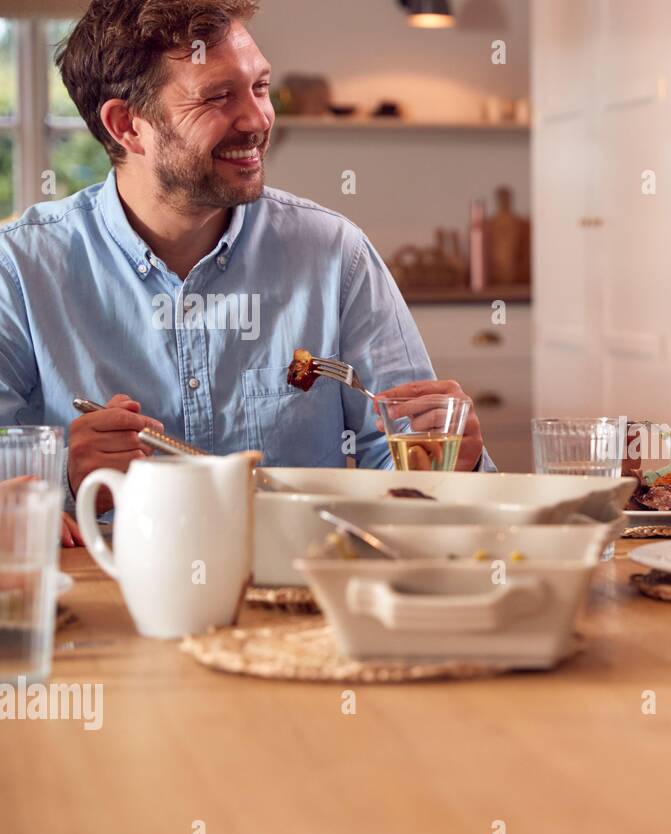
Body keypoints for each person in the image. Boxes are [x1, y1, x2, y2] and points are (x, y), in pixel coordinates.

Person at [0, 0, 492, 532]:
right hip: (109, 601)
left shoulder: (335, 255)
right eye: (217, 96)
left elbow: (404, 478)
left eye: (259, 87)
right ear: (127, 126)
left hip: (305, 596)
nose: (258, 120)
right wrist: (64, 478)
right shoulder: (21, 269)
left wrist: (454, 464)